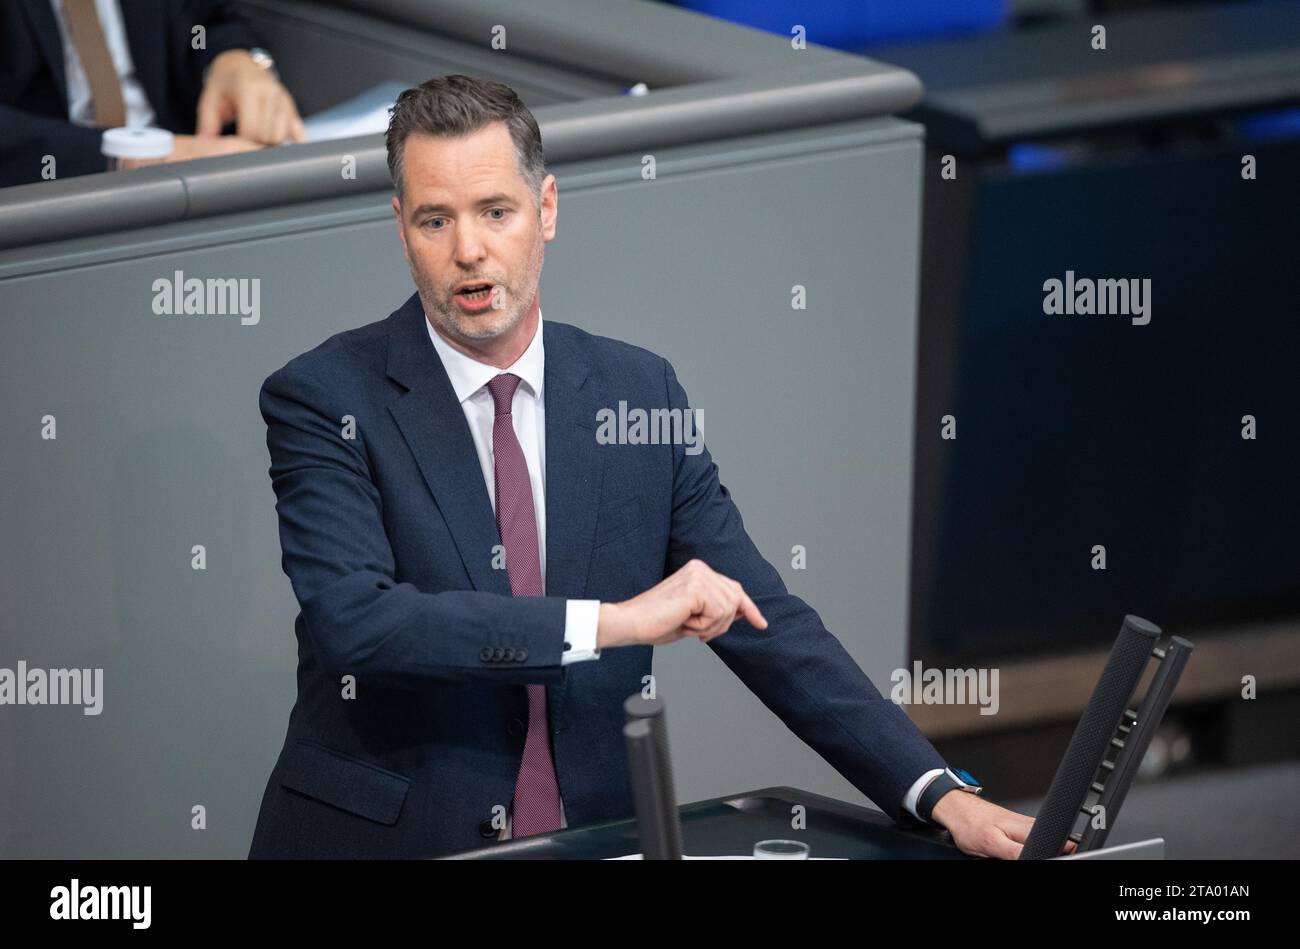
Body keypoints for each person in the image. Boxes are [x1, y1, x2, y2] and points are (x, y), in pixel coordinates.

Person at [249, 74, 1072, 860]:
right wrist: (615, 622)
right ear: (401, 227)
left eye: (495, 211)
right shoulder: (324, 397)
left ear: (546, 209)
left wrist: (935, 791)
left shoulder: (637, 391)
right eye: (435, 221)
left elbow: (766, 618)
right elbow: (360, 624)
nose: (468, 249)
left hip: (592, 839)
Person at [0, 0, 303, 187]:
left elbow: (209, 17)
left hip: (187, 169)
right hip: (43, 199)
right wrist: (146, 157)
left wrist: (232, 60)